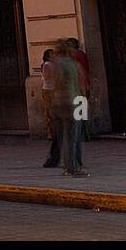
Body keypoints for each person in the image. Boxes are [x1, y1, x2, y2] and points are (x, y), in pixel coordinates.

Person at [50, 41, 88, 176]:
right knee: (73, 137)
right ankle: (73, 167)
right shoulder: (74, 64)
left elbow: (54, 81)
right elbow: (82, 84)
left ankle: (67, 166)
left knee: (63, 137)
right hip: (73, 102)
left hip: (57, 103)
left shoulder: (54, 63)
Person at [67, 36, 91, 168]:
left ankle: (81, 135)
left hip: (77, 89)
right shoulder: (82, 55)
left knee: (77, 115)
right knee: (82, 113)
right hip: (83, 87)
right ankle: (85, 134)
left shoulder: (74, 58)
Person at [41, 49, 60, 168]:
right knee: (49, 112)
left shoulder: (51, 64)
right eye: (52, 54)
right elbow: (48, 77)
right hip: (49, 89)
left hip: (52, 89)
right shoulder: (48, 65)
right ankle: (50, 132)